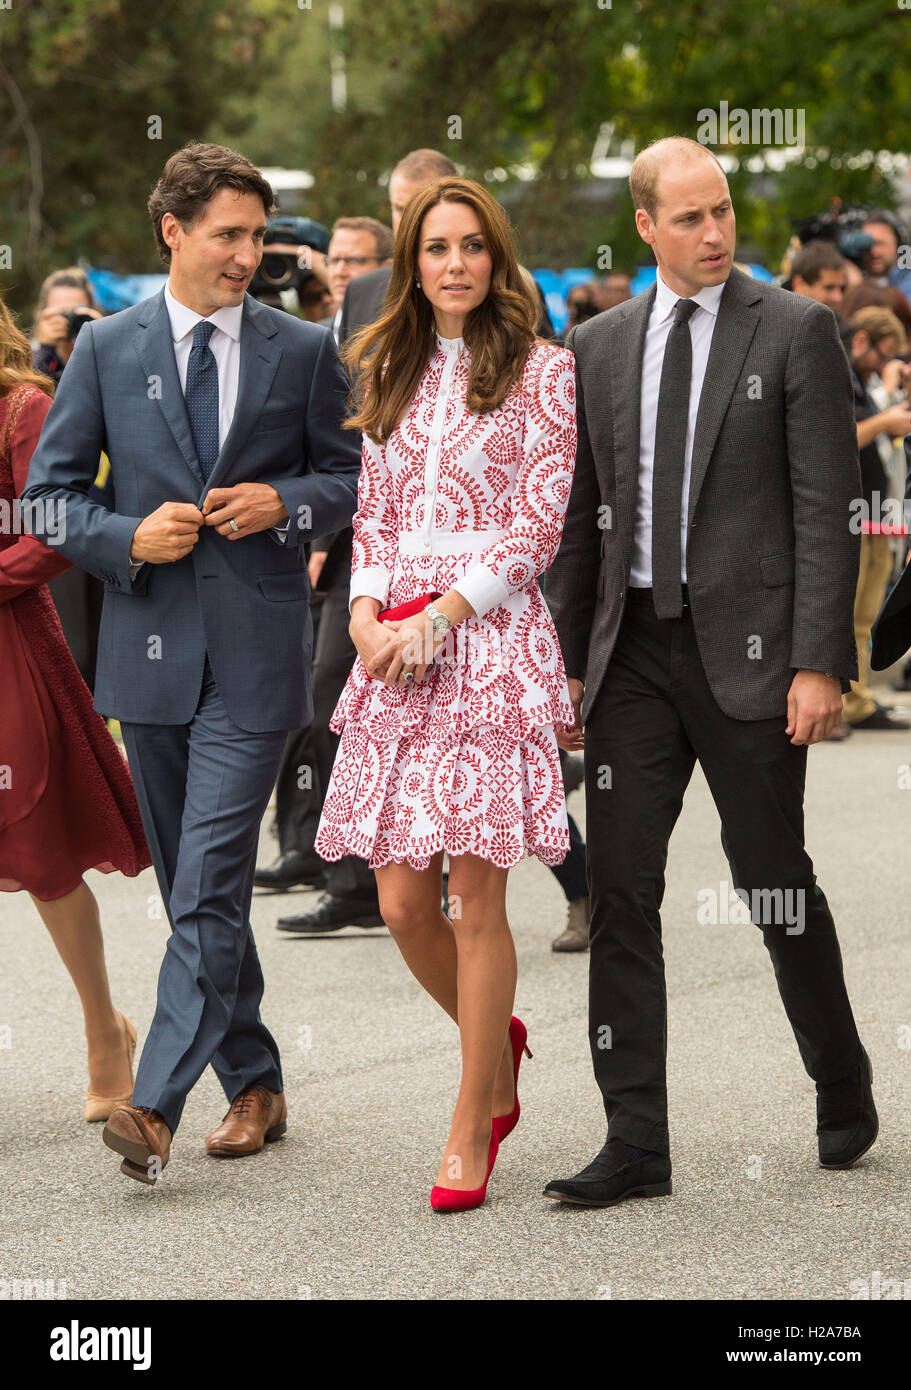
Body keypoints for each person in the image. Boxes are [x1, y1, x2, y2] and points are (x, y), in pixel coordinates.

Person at [543, 136, 877, 1210]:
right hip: (632, 652)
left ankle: (839, 1074)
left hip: (749, 656)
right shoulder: (593, 345)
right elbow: (580, 526)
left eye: (721, 210)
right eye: (687, 217)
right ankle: (633, 1135)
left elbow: (823, 507)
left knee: (771, 878)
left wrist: (818, 661)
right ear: (642, 227)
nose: (713, 232)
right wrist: (562, 668)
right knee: (618, 888)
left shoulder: (793, 328)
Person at [23, 141, 361, 1186]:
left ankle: (155, 1104)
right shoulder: (106, 350)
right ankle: (255, 1076)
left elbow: (352, 477)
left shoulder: (301, 350)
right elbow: (49, 499)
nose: (247, 254)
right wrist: (125, 536)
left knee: (212, 873)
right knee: (192, 896)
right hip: (149, 659)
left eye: (259, 236)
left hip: (258, 658)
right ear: (171, 231)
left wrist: (286, 503)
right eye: (229, 234)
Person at [313, 176, 577, 1210]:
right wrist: (367, 610)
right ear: (410, 264)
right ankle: (495, 1050)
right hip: (393, 649)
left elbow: (537, 528)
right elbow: (371, 515)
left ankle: (472, 1120)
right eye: (435, 248)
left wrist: (442, 614)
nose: (454, 263)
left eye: (471, 245)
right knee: (399, 899)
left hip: (490, 642)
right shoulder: (387, 366)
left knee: (474, 901)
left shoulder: (543, 372)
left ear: (494, 256)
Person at [268, 148, 458, 926]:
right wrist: (324, 537)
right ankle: (346, 881)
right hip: (363, 542)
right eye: (398, 204)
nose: (407, 217)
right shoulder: (368, 297)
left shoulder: (500, 299)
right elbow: (348, 436)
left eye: (419, 206)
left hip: (464, 555)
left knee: (448, 722)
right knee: (328, 693)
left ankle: (562, 880)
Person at [0, 292, 150, 1121]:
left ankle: (104, 1030)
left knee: (40, 848)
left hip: (11, 648)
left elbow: (56, 529)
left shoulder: (25, 405)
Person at [841, 307, 911, 731]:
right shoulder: (841, 378)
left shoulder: (863, 383)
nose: (885, 366)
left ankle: (860, 698)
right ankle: (849, 700)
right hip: (854, 513)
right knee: (851, 615)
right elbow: (843, 439)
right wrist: (886, 417)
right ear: (862, 341)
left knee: (867, 615)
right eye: (882, 355)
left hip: (875, 513)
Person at [323, 218, 395, 343]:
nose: (339, 272)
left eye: (354, 260)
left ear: (387, 267)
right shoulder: (312, 336)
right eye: (334, 260)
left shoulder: (398, 338)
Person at [789, 241, 848, 315]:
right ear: (799, 284)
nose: (838, 298)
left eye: (842, 288)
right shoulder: (774, 321)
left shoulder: (840, 323)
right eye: (829, 288)